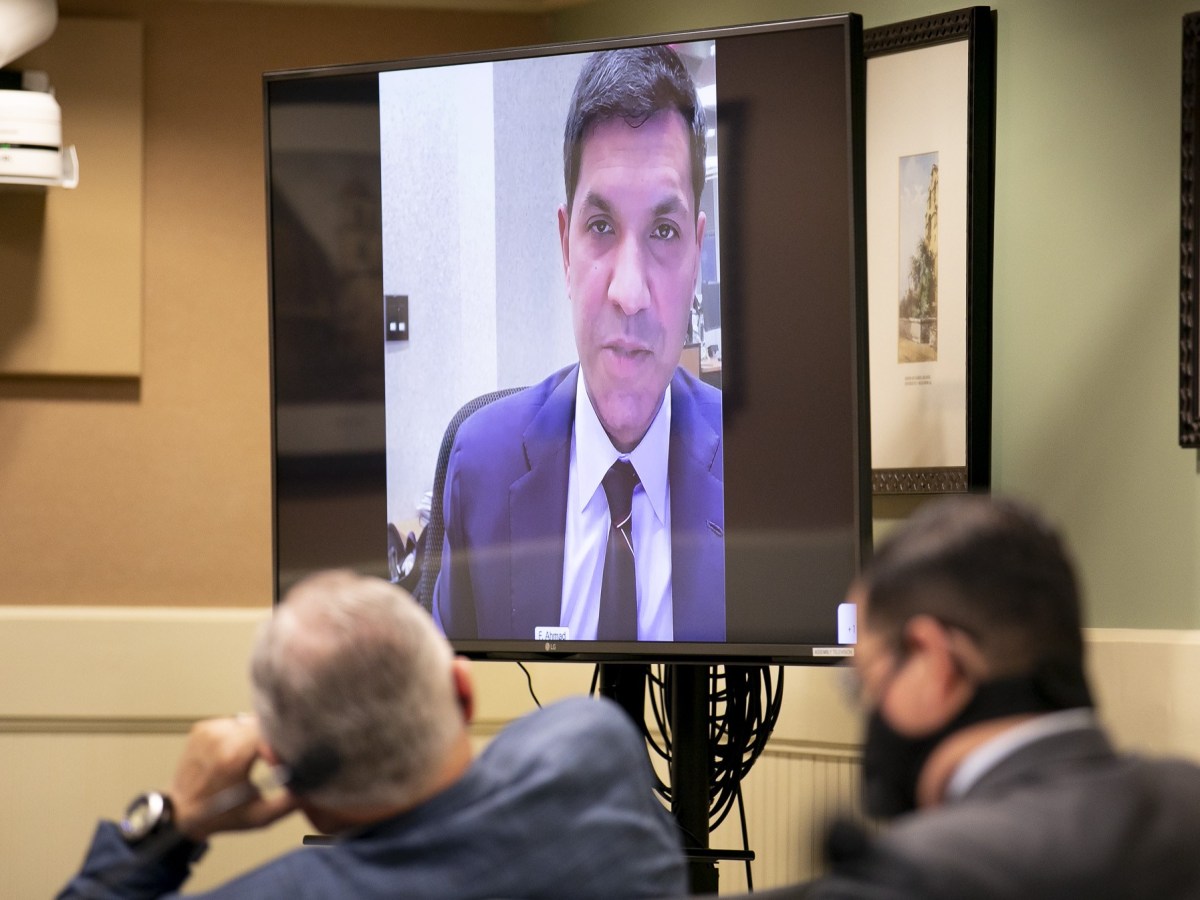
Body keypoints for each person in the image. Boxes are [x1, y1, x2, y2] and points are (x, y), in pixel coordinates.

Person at [58, 570, 688, 899]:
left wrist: (177, 816)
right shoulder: (595, 746)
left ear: (280, 769)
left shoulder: (286, 892)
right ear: (463, 692)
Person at [432, 44, 724, 643]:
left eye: (664, 231)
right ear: (566, 245)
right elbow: (443, 694)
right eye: (601, 226)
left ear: (697, 252)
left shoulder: (762, 471)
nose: (629, 293)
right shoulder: (481, 467)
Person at [800, 494, 1200, 899]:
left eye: (863, 681)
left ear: (933, 663)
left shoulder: (910, 876)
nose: (868, 707)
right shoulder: (1189, 801)